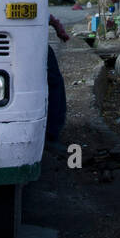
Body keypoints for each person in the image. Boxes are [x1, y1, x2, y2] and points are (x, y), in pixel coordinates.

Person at [46, 14, 69, 153]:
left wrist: (60, 30)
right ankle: (52, 133)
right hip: (33, 44)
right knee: (54, 84)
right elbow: (52, 19)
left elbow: (51, 19)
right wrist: (60, 31)